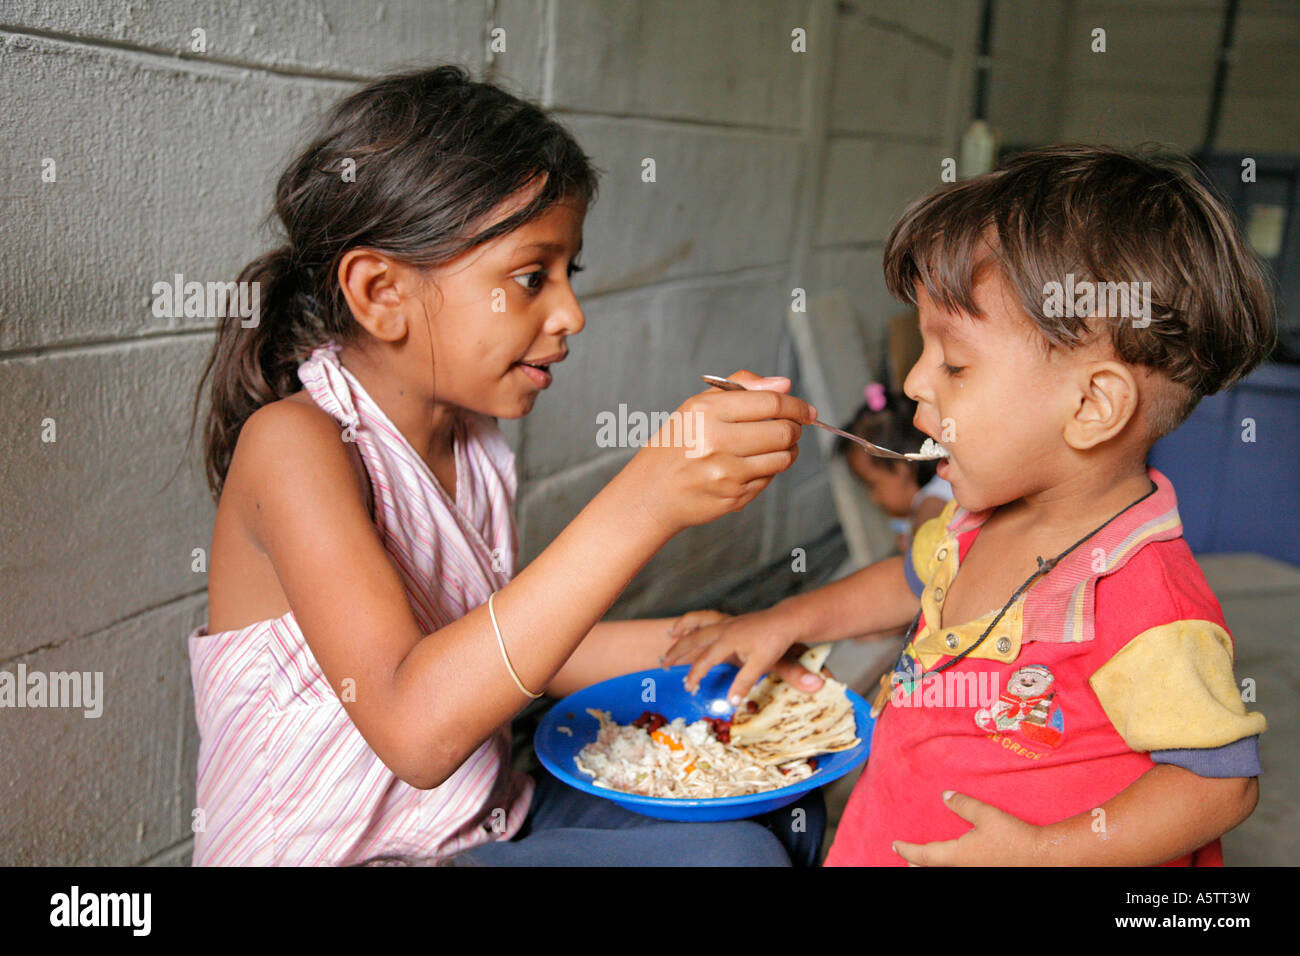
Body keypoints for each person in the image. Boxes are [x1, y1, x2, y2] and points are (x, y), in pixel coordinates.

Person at [187, 66, 825, 866]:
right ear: (380, 291)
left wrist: (713, 641)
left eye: (570, 274)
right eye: (531, 278)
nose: (571, 313)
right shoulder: (294, 447)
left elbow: (502, 648)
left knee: (781, 797)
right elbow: (416, 729)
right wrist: (644, 500)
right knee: (732, 863)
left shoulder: (472, 441)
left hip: (481, 822)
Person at [664, 144, 1272, 865]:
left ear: (1092, 405)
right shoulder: (975, 518)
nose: (918, 381)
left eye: (953, 362)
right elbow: (910, 581)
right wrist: (783, 619)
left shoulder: (1145, 601)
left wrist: (1046, 852)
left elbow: (1216, 787)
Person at [839, 389, 953, 552]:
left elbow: (929, 546)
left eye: (872, 485)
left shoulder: (931, 501)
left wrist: (912, 546)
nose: (873, 498)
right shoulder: (918, 509)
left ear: (902, 470)